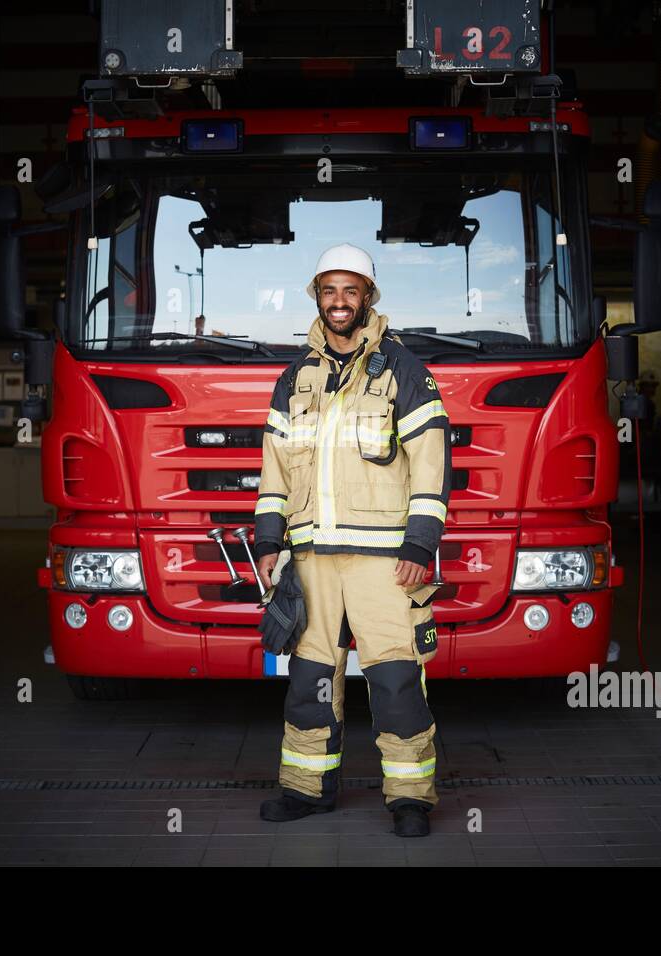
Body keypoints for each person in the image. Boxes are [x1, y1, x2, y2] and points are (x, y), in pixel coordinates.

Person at [252, 243, 451, 838]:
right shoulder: (295, 378)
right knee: (310, 680)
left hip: (385, 561)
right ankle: (305, 788)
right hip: (312, 559)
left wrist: (419, 545)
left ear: (369, 297)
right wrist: (268, 541)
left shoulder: (404, 371)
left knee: (395, 681)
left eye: (351, 290)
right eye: (329, 290)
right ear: (317, 295)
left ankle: (411, 798)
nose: (340, 302)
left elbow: (432, 463)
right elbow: (274, 472)